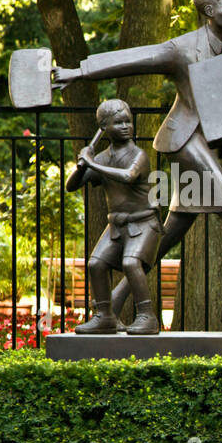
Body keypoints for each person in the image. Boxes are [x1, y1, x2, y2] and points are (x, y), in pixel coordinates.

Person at [52, 0, 222, 326]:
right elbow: (131, 59)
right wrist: (76, 72)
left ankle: (112, 303)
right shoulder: (183, 48)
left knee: (169, 232)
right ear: (209, 12)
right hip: (184, 140)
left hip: (206, 143)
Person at [70, 100, 163, 335]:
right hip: (117, 225)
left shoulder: (138, 154)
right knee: (96, 264)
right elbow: (71, 185)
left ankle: (147, 317)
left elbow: (128, 176)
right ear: (104, 127)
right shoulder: (101, 158)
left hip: (143, 222)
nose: (126, 127)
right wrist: (82, 166)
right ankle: (105, 317)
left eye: (128, 122)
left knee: (131, 263)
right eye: (118, 123)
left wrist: (92, 163)